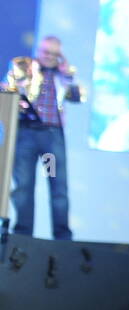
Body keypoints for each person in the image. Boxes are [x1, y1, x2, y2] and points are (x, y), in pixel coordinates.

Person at [4, 36, 82, 239]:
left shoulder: (63, 76)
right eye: (46, 52)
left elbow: (76, 97)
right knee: (23, 187)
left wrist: (67, 74)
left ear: (59, 56)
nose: (49, 57)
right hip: (26, 135)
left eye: (54, 54)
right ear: (39, 50)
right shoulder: (24, 69)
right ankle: (23, 236)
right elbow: (7, 91)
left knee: (57, 186)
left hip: (51, 138)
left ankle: (62, 237)